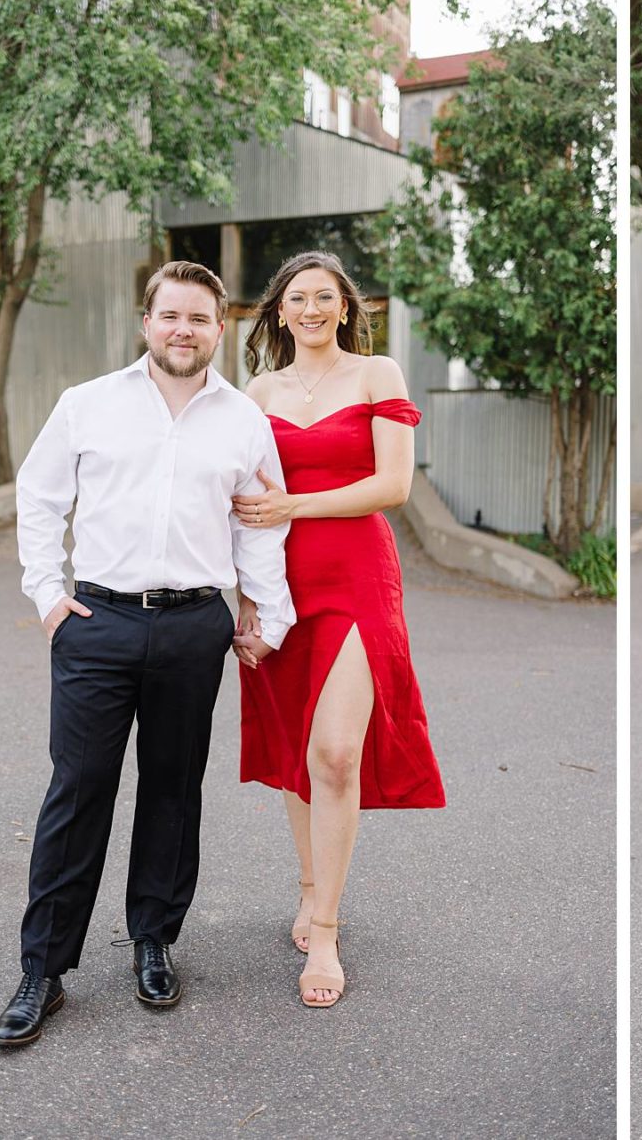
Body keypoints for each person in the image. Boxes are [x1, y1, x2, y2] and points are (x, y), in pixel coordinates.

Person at [0, 261, 295, 1047]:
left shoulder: (241, 420)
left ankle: (154, 940)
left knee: (171, 788)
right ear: (146, 321)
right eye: (170, 315)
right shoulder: (87, 404)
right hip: (97, 621)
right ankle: (43, 970)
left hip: (197, 625)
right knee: (79, 788)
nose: (183, 329)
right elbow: (39, 495)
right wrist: (47, 596)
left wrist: (270, 617)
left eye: (199, 317)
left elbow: (259, 523)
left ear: (219, 328)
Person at [231, 250, 445, 1009]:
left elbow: (393, 485)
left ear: (346, 307)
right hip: (281, 583)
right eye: (298, 298)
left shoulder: (377, 374)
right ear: (280, 312)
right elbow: (240, 495)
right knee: (296, 747)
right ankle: (309, 883)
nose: (313, 308)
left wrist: (297, 507)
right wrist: (246, 595)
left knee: (335, 748)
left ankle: (325, 928)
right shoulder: (257, 391)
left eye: (326, 297)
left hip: (357, 576)